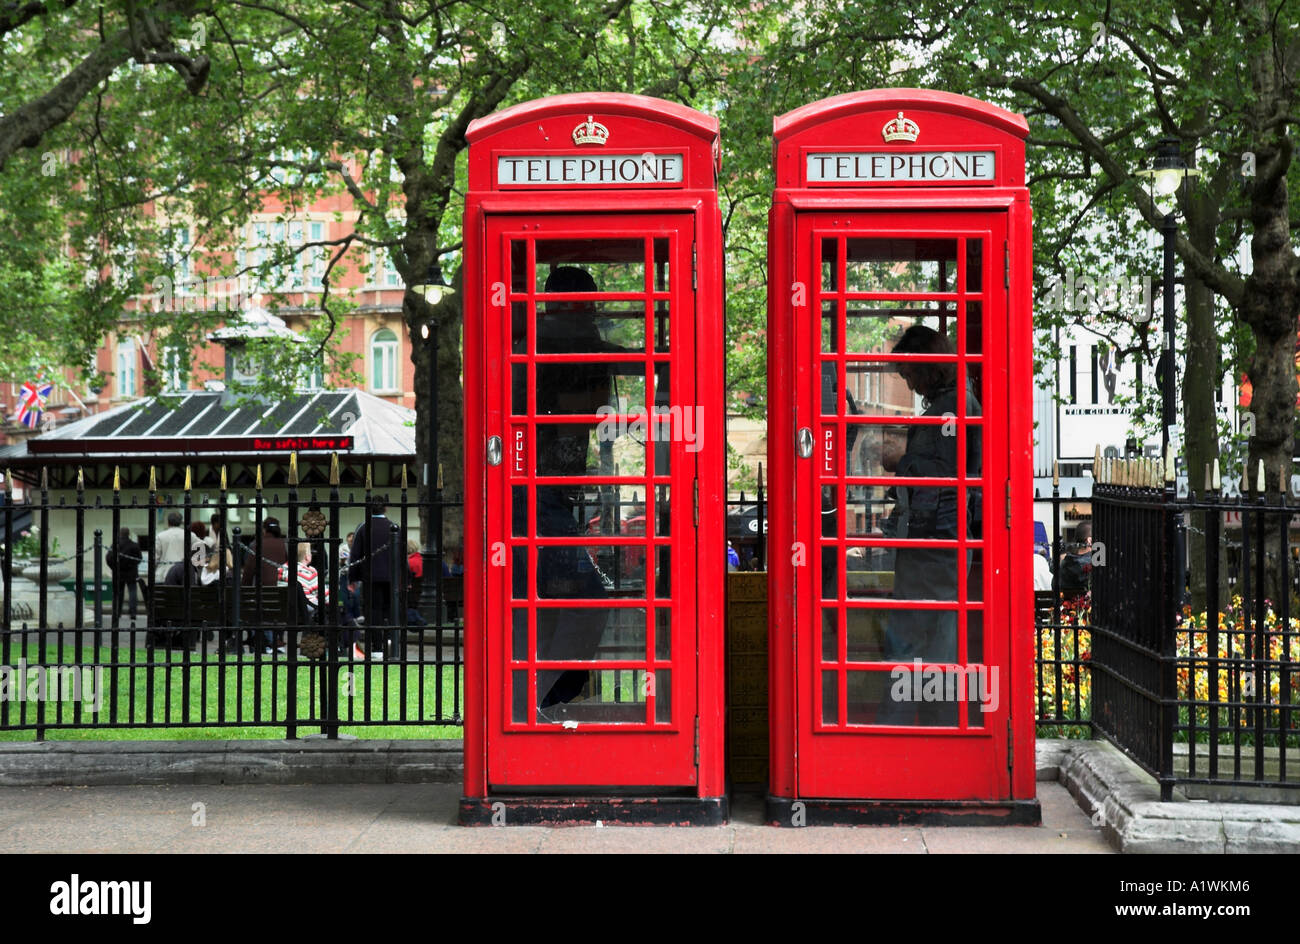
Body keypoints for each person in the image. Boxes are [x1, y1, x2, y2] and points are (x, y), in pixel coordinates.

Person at [517, 265, 622, 719]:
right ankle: (541, 695)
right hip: (536, 496)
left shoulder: (542, 337)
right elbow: (595, 403)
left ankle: (542, 695)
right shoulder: (565, 339)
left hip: (549, 494)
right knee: (589, 599)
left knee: (551, 604)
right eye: (588, 298)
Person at [878, 325, 981, 725]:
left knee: (906, 644)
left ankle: (895, 731)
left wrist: (898, 461)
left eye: (910, 373)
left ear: (927, 366)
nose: (909, 383)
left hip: (933, 545)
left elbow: (938, 478)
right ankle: (942, 728)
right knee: (938, 645)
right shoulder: (956, 403)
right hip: (943, 544)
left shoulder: (951, 409)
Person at [349, 498, 409, 659]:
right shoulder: (394, 528)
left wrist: (352, 578)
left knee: (373, 611)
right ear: (386, 508)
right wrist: (406, 579)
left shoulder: (363, 528)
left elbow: (355, 555)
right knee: (390, 610)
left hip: (371, 577)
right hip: (392, 577)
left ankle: (376, 646)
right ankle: (390, 641)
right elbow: (403, 556)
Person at [242, 517, 288, 652]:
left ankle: (267, 642)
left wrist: (244, 590)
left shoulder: (256, 545)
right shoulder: (284, 545)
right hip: (282, 595)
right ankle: (274, 641)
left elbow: (248, 574)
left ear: (264, 529)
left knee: (257, 606)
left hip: (262, 595)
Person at [106, 528, 143, 624]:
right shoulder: (134, 545)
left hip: (118, 572)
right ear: (129, 534)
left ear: (120, 534)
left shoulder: (115, 545)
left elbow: (108, 558)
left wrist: (114, 567)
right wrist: (132, 565)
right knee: (132, 592)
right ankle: (133, 613)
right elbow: (139, 559)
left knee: (118, 593)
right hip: (131, 572)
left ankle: (117, 613)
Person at [1056, 522, 1093, 598]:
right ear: (1089, 540)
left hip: (1065, 606)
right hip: (1085, 606)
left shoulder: (1065, 561)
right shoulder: (1092, 562)